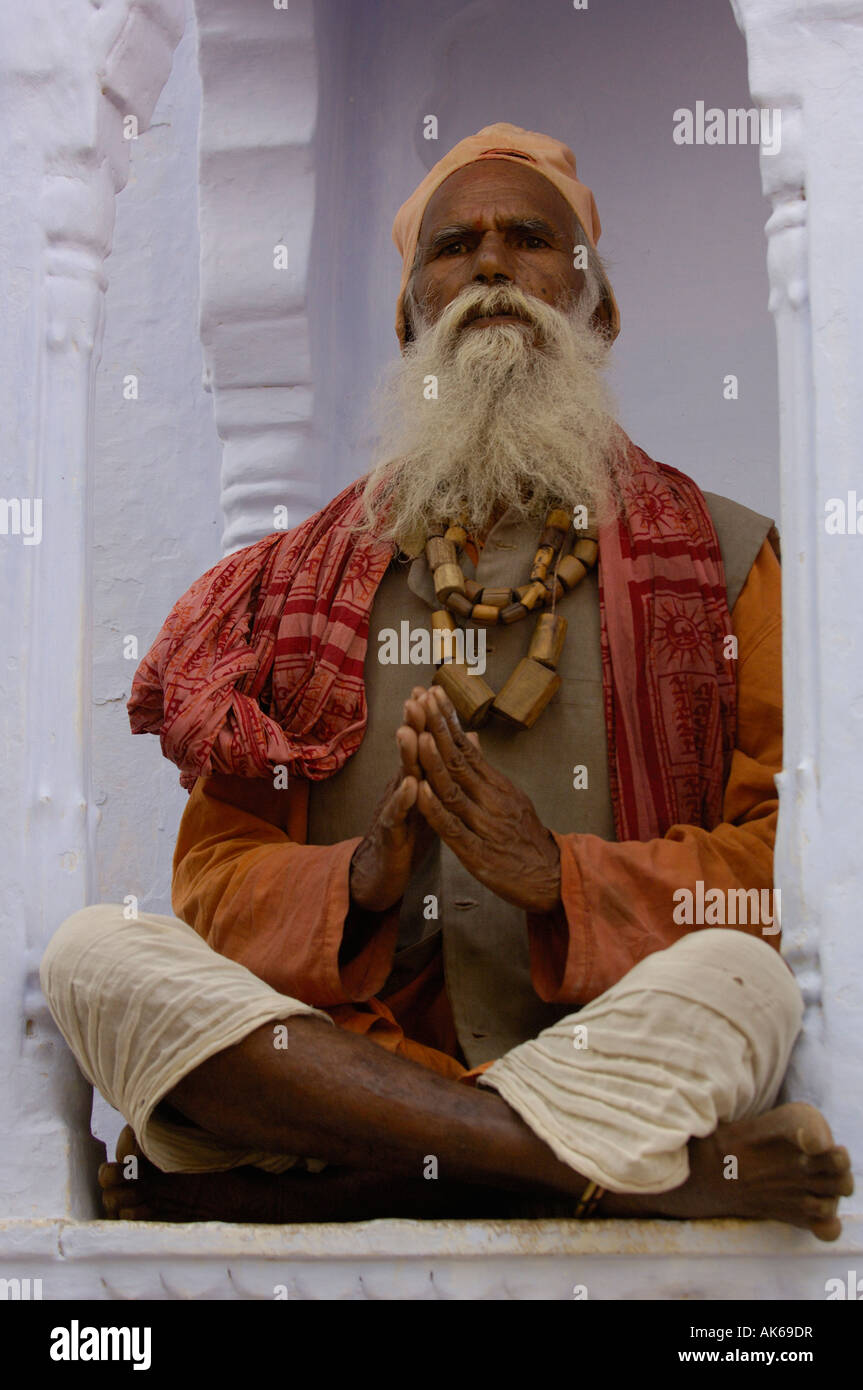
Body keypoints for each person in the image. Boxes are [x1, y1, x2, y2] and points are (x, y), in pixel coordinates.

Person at [41, 125, 852, 1237]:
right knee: (96, 956)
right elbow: (215, 884)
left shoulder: (720, 560)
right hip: (355, 1053)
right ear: (407, 315)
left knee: (739, 983)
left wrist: (559, 879)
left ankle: (359, 1169)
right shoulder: (290, 589)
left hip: (594, 1052)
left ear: (595, 310)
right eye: (452, 246)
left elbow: (781, 876)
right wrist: (355, 884)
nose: (486, 265)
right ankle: (609, 1175)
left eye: (528, 238)